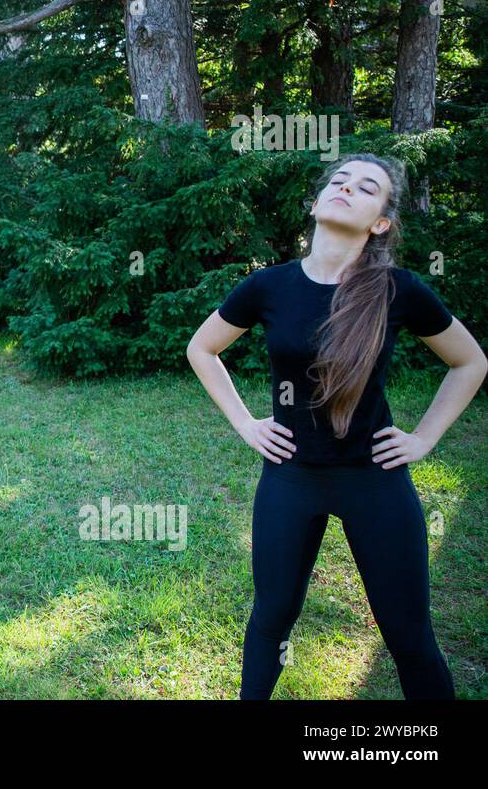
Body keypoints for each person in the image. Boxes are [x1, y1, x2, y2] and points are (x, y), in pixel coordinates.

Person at [187, 153, 486, 699]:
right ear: (318, 202)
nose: (346, 188)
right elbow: (202, 348)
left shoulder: (399, 289)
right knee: (271, 619)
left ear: (380, 223)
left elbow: (470, 362)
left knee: (409, 635)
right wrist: (246, 424)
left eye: (366, 187)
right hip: (290, 478)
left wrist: (423, 439)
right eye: (339, 180)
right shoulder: (268, 286)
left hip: (375, 480)